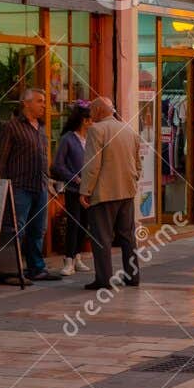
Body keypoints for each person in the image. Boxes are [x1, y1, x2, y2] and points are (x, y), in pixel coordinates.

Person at [0, 87, 58, 282]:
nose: (44, 105)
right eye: (39, 101)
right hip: (20, 186)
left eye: (44, 101)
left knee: (37, 230)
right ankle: (10, 270)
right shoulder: (12, 127)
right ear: (26, 103)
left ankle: (36, 268)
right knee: (15, 228)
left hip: (40, 185)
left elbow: (43, 156)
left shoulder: (40, 128)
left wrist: (49, 181)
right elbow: (2, 158)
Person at [79, 97, 140, 291]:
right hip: (127, 191)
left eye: (92, 111)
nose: (90, 115)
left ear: (98, 111)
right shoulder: (128, 129)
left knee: (102, 237)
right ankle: (133, 275)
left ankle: (103, 279)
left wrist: (85, 190)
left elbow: (92, 165)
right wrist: (133, 179)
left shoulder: (96, 130)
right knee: (127, 236)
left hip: (104, 192)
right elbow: (137, 162)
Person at [50, 101, 93, 276]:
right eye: (91, 119)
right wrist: (74, 178)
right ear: (84, 120)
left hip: (89, 190)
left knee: (84, 224)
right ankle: (68, 260)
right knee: (73, 224)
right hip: (74, 189)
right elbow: (58, 165)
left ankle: (77, 257)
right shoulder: (68, 139)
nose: (93, 122)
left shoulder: (91, 139)